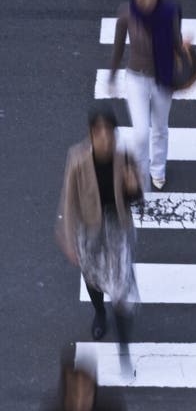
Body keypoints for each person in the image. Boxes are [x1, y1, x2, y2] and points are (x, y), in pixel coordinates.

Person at [56, 107, 142, 364]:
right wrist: (68, 236)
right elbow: (69, 198)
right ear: (91, 133)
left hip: (117, 224)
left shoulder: (125, 157)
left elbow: (137, 199)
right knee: (91, 273)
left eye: (108, 130)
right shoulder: (78, 157)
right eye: (98, 130)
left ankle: (123, 339)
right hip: (88, 223)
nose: (104, 136)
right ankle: (99, 313)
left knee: (120, 283)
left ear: (115, 133)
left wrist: (132, 187)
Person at [110, 0, 183, 190]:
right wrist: (112, 76)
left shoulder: (169, 11)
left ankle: (158, 169)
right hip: (136, 77)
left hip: (163, 77)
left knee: (160, 127)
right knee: (141, 133)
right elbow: (118, 47)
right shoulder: (126, 13)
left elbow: (176, 42)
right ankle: (139, 174)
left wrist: (183, 50)